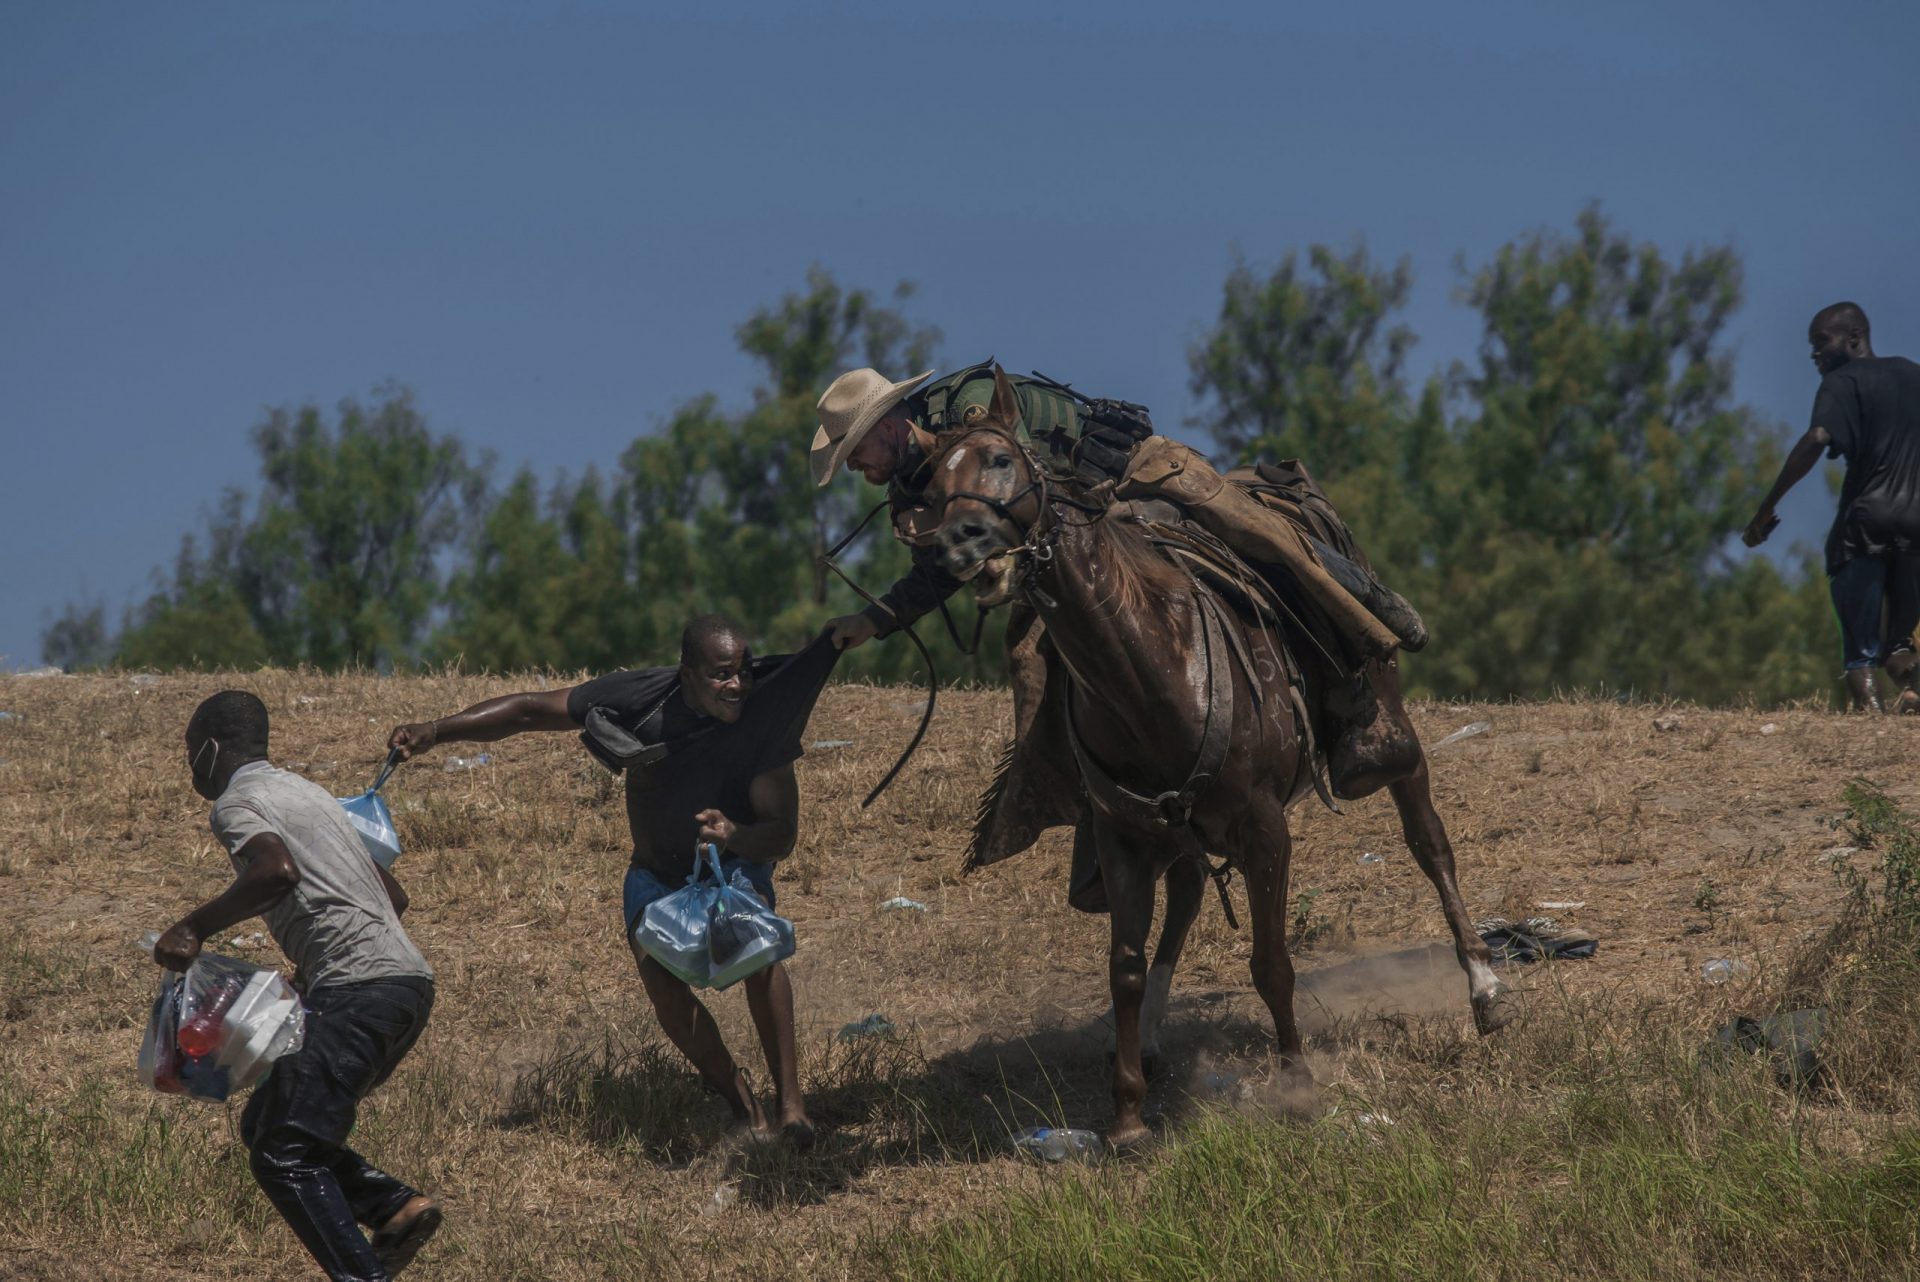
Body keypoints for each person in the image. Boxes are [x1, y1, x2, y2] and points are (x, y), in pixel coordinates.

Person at [809, 361, 1428, 906]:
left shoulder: (971, 407)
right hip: (1074, 542)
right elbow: (945, 564)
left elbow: (1018, 482)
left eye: (856, 451)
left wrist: (986, 540)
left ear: (887, 425)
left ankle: (1365, 632)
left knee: (1252, 532)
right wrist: (873, 620)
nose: (857, 468)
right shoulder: (912, 489)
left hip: (1137, 475)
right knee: (1031, 660)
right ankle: (1103, 808)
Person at [386, 615, 838, 1145]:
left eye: (741, 672)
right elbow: (533, 709)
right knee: (663, 986)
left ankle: (792, 1110)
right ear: (687, 673)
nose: (736, 685)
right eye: (720, 674)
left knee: (757, 953)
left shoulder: (763, 721)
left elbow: (781, 836)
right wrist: (437, 730)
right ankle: (743, 1106)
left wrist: (735, 834)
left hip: (731, 865)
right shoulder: (640, 696)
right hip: (655, 874)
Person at [155, 690, 440, 1282]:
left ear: (209, 748)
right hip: (405, 985)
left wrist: (193, 927)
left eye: (189, 753)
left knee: (284, 1154)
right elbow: (392, 895)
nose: (190, 769)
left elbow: (275, 872)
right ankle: (394, 1207)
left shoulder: (236, 802)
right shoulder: (307, 793)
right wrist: (314, 970)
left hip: (360, 987)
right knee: (268, 1125)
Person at [1746, 302, 1920, 712]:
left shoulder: (1844, 380)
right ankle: (1912, 692)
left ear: (1855, 338)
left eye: (1822, 342)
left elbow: (1818, 437)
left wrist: (1765, 508)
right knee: (1897, 644)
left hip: (1865, 522)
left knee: (1861, 649)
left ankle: (1871, 723)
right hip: (1917, 527)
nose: (1815, 354)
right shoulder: (1914, 375)